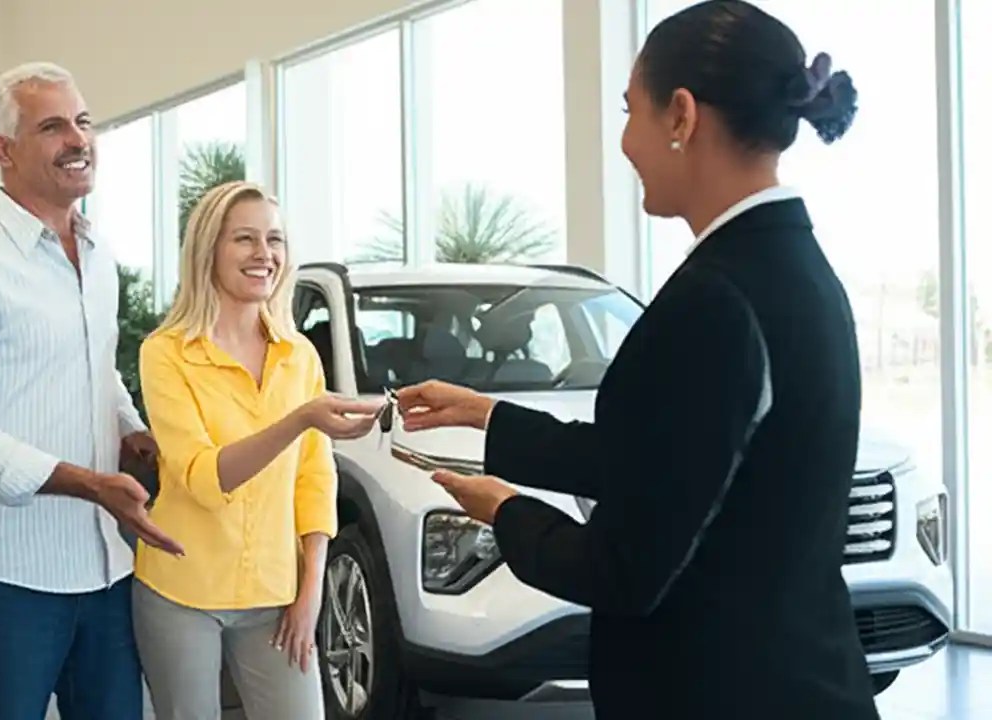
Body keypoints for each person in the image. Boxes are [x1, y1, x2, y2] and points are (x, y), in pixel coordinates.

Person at [395, 2, 879, 718]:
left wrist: (506, 513)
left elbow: (623, 572)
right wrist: (486, 416)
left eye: (630, 111)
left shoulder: (714, 301)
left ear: (680, 116)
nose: (624, 142)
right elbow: (662, 462)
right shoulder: (797, 269)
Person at [0, 61, 182, 720]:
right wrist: (87, 482)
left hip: (106, 571)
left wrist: (131, 428)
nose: (78, 139)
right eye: (53, 126)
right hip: (5, 580)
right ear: (4, 151)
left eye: (83, 122)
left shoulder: (100, 251)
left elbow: (97, 366)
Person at [132, 180, 382, 719]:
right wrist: (298, 420)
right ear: (209, 251)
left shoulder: (299, 356)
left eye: (274, 239)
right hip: (182, 590)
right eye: (243, 238)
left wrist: (310, 587)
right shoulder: (166, 354)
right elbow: (202, 477)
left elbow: (314, 482)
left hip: (276, 591)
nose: (263, 254)